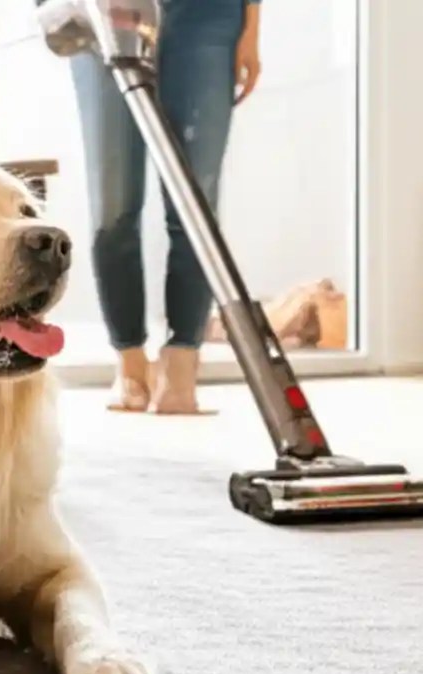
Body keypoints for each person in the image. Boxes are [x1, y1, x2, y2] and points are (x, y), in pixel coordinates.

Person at [66, 0, 262, 414]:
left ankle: (182, 360)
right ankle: (129, 360)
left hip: (205, 16)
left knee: (195, 204)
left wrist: (251, 24)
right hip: (106, 11)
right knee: (113, 207)